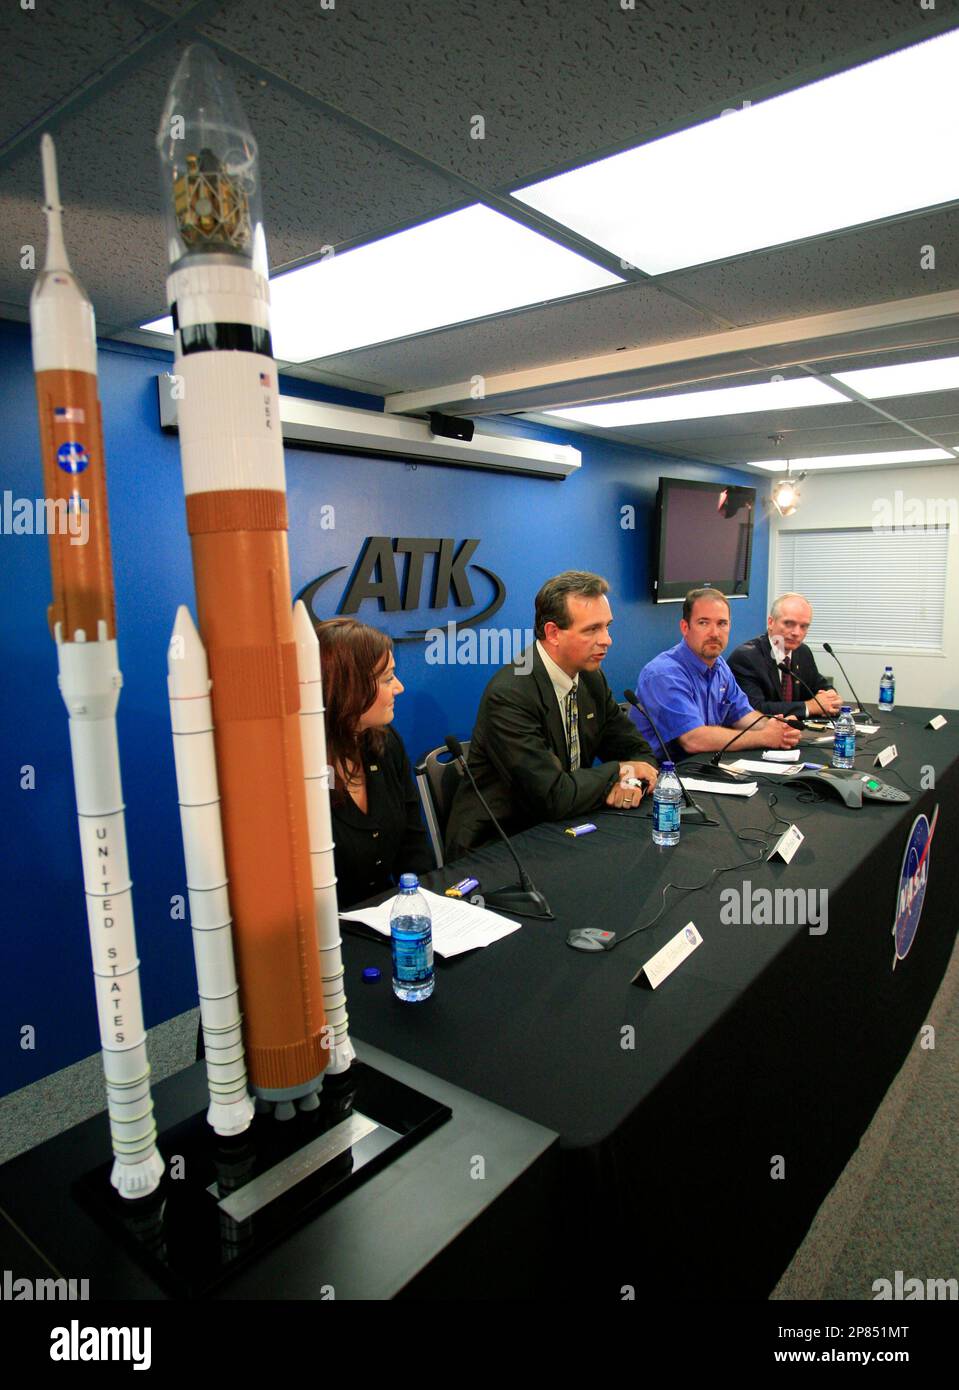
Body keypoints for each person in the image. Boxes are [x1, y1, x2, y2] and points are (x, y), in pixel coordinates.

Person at [444, 571, 659, 859]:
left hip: (564, 827)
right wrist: (618, 771)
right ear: (553, 633)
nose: (606, 640)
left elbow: (639, 751)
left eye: (607, 627)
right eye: (592, 629)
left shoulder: (591, 680)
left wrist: (630, 781)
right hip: (500, 845)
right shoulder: (510, 695)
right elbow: (551, 796)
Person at [316, 617, 433, 909]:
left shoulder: (383, 743)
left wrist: (430, 908)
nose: (400, 688)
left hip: (390, 919)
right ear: (348, 688)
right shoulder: (298, 767)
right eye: (387, 678)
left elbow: (413, 846)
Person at [628, 588, 802, 760]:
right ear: (685, 627)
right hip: (660, 777)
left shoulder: (720, 666)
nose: (714, 633)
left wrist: (776, 727)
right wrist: (764, 737)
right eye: (703, 623)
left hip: (701, 767)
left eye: (722, 623)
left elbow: (743, 714)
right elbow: (693, 739)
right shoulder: (664, 674)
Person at [727, 592, 843, 721]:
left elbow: (818, 685)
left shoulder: (802, 652)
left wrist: (831, 697)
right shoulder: (747, 657)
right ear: (771, 622)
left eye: (803, 626)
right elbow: (753, 709)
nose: (796, 633)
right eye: (789, 623)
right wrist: (809, 707)